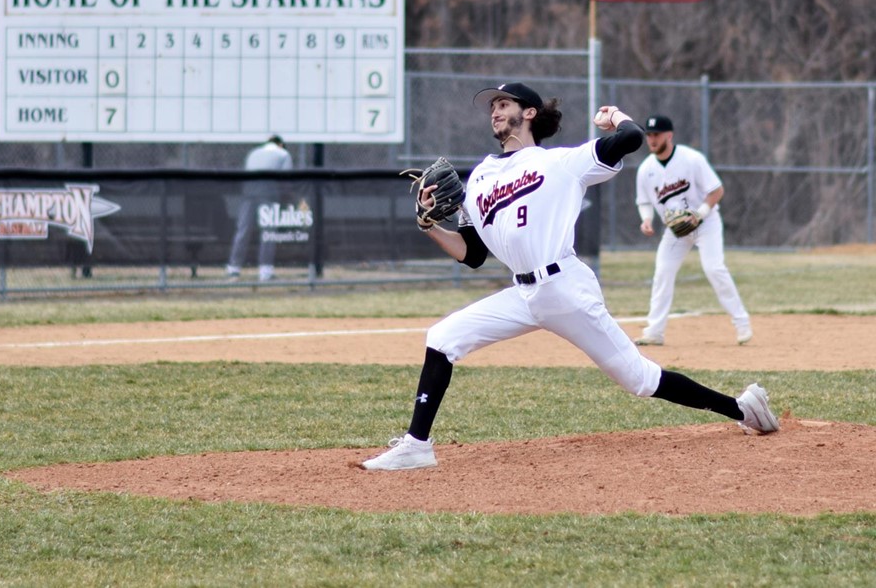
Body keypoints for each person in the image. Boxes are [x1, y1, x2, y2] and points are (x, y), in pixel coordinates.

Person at [362, 82, 778, 471]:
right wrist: (429, 226)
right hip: (522, 294)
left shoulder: (561, 162)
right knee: (442, 338)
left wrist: (615, 117)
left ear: (528, 113)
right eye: (492, 106)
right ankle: (417, 446)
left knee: (639, 378)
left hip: (565, 288)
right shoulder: (480, 179)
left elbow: (631, 139)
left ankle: (743, 410)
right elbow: (471, 255)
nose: (495, 111)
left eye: (503, 104)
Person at [633, 115, 752, 346]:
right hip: (675, 230)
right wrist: (646, 219)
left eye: (656, 134)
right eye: (648, 135)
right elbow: (643, 201)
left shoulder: (691, 159)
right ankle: (654, 332)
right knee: (662, 273)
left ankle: (742, 323)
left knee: (714, 268)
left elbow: (717, 190)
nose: (652, 139)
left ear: (669, 135)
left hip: (706, 223)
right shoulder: (646, 169)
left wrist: (701, 214)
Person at [226, 134, 293, 282]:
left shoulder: (254, 153)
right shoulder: (283, 154)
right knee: (268, 232)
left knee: (243, 230)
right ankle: (265, 272)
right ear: (280, 144)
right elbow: (286, 178)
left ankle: (233, 269)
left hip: (248, 193)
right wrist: (287, 198)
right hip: (269, 195)